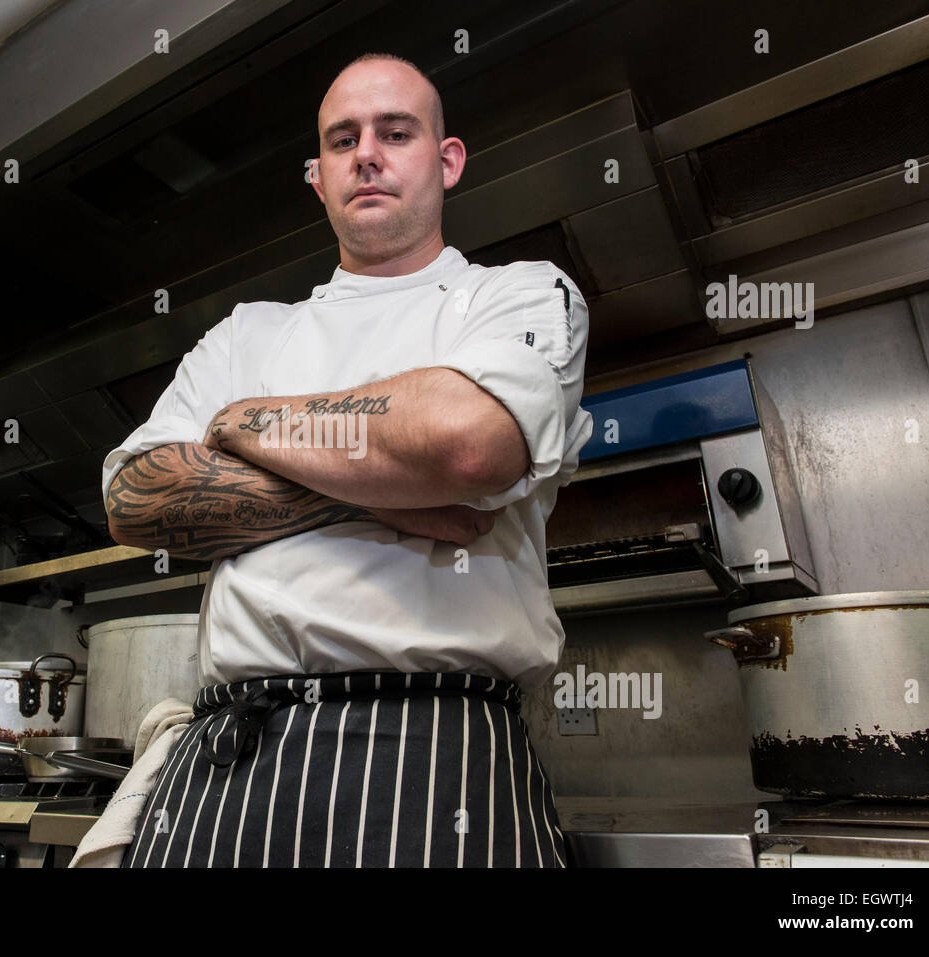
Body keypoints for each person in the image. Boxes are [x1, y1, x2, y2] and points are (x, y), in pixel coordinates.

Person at [99, 52, 592, 867]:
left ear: (447, 160)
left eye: (396, 133)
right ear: (317, 177)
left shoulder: (518, 296)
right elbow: (134, 499)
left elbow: (467, 443)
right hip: (230, 761)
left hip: (437, 755)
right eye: (342, 139)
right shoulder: (245, 333)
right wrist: (387, 493)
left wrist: (244, 421)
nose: (367, 152)